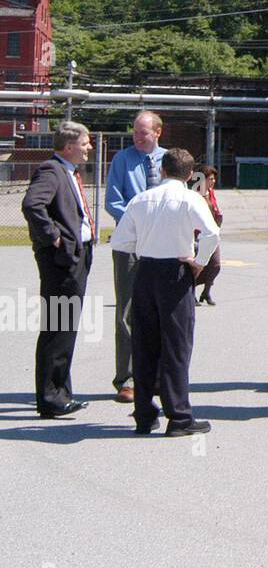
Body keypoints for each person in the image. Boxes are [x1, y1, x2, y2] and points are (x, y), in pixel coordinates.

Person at [110, 148, 220, 436]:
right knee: (177, 345)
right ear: (189, 174)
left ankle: (144, 414)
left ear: (162, 170)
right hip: (176, 271)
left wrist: (145, 247)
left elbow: (120, 241)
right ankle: (179, 415)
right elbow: (211, 233)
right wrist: (199, 263)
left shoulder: (141, 199)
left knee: (144, 344)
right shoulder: (190, 198)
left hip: (146, 271)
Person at [21, 122, 95, 419]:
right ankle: (52, 398)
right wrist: (54, 238)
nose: (89, 148)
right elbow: (32, 205)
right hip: (62, 262)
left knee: (65, 328)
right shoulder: (52, 170)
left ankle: (61, 393)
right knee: (58, 328)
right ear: (69, 147)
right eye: (86, 143)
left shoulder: (68, 171)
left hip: (76, 257)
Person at [104, 110, 167, 404]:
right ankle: (126, 379)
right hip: (130, 244)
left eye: (143, 132)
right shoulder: (122, 160)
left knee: (162, 310)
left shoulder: (171, 160)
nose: (137, 137)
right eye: (135, 131)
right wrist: (139, 222)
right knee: (128, 311)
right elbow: (113, 201)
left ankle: (157, 377)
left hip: (164, 246)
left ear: (158, 132)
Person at [193, 165, 222, 306]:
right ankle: (190, 291)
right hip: (198, 235)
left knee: (215, 264)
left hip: (212, 233)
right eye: (210, 179)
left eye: (214, 178)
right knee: (197, 265)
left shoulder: (211, 193)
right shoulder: (195, 194)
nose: (213, 181)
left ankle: (206, 291)